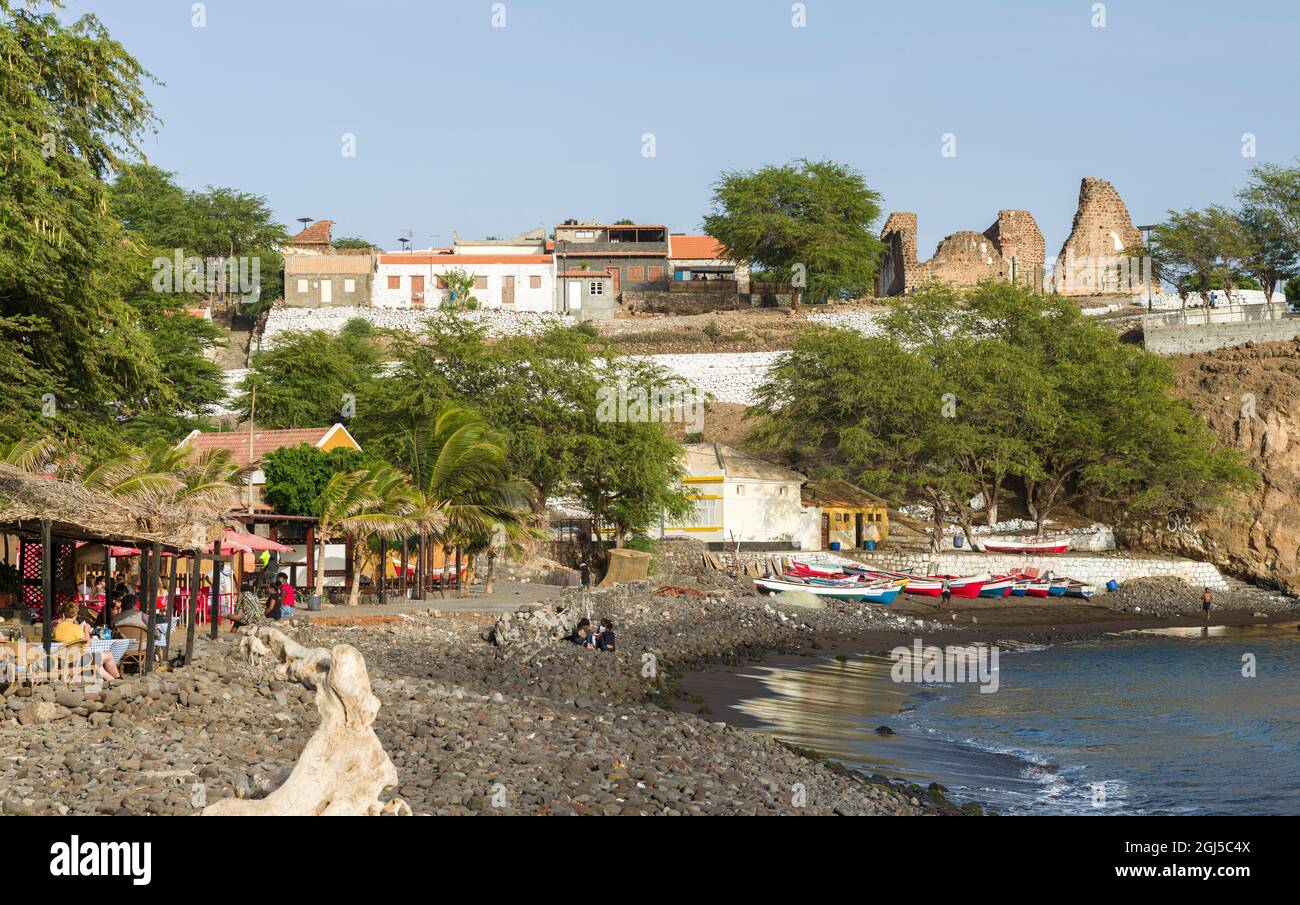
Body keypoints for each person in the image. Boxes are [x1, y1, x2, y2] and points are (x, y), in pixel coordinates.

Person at [53, 600, 120, 681]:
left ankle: (112, 680)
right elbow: (87, 646)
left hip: (63, 659)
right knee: (108, 655)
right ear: (75, 615)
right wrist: (86, 630)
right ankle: (117, 677)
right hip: (77, 660)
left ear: (63, 614)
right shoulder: (76, 628)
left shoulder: (57, 628)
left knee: (98, 663)